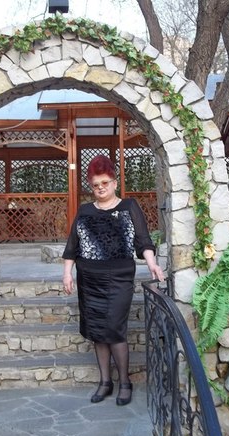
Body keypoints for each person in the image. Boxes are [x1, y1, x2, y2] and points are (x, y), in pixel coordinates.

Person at [62, 155, 165, 406]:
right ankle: (105, 382)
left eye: (105, 183)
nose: (100, 188)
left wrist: (152, 263)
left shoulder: (129, 207)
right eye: (96, 185)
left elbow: (143, 240)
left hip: (119, 279)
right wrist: (67, 273)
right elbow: (72, 246)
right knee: (98, 332)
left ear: (115, 182)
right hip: (89, 280)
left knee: (115, 330)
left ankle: (125, 383)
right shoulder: (85, 211)